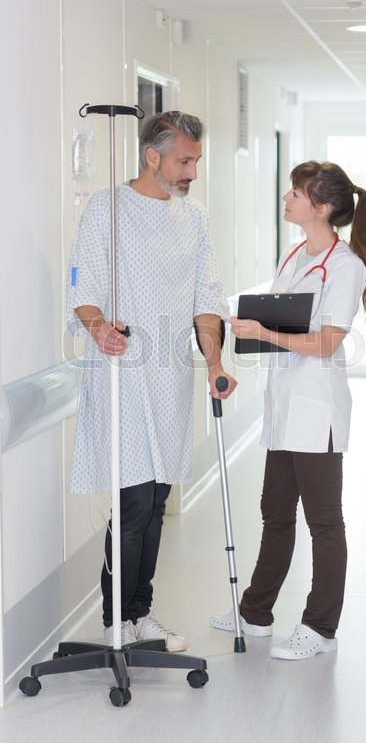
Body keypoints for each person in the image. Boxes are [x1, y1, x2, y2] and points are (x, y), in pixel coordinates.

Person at [67, 110, 237, 649]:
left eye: (195, 161)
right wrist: (98, 330)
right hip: (121, 373)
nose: (192, 172)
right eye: (184, 161)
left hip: (170, 378)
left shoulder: (197, 219)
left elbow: (207, 300)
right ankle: (116, 620)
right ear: (152, 156)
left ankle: (141, 613)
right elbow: (84, 287)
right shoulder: (107, 209)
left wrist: (214, 364)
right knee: (133, 501)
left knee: (159, 497)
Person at [210, 161, 366, 659]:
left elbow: (327, 342)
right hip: (285, 407)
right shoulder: (297, 254)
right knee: (275, 514)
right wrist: (219, 305)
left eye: (296, 193)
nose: (287, 198)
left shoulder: (345, 265)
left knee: (324, 523)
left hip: (317, 411)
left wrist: (262, 333)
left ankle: (320, 628)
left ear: (321, 207)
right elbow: (266, 301)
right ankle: (255, 613)